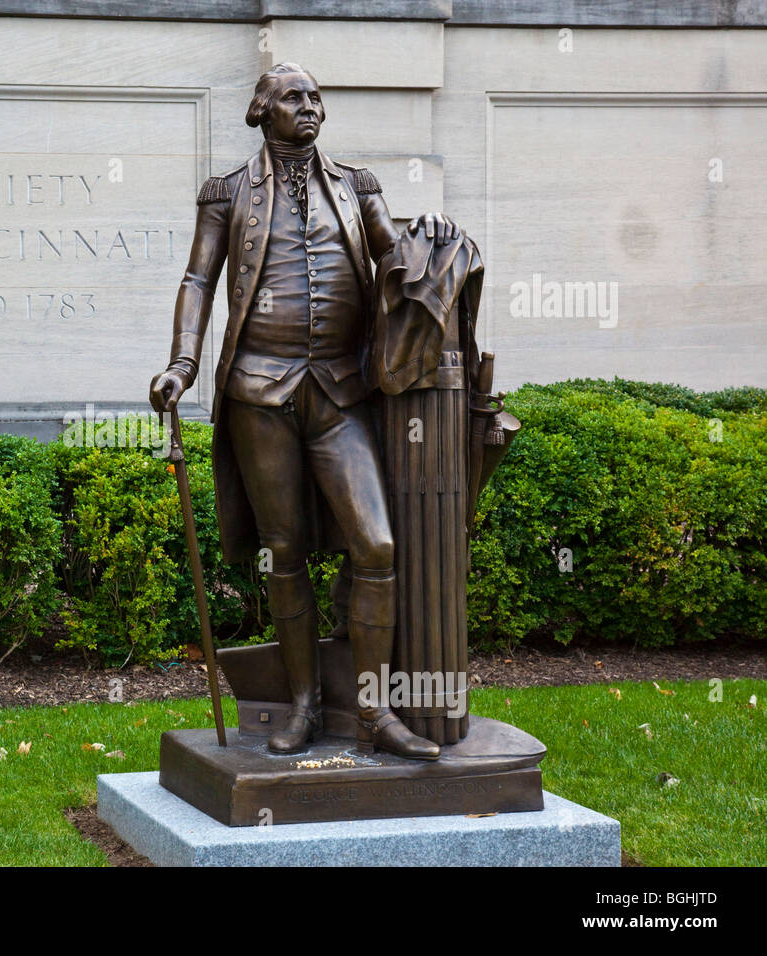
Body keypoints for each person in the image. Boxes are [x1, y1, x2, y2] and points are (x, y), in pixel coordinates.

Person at [149, 63, 461, 758]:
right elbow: (198, 278)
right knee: (284, 553)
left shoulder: (357, 187)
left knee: (376, 545)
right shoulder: (228, 193)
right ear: (262, 110)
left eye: (318, 97)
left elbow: (395, 260)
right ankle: (303, 707)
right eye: (295, 98)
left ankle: (377, 713)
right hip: (259, 392)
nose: (311, 107)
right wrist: (182, 363)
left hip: (340, 391)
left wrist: (430, 232)